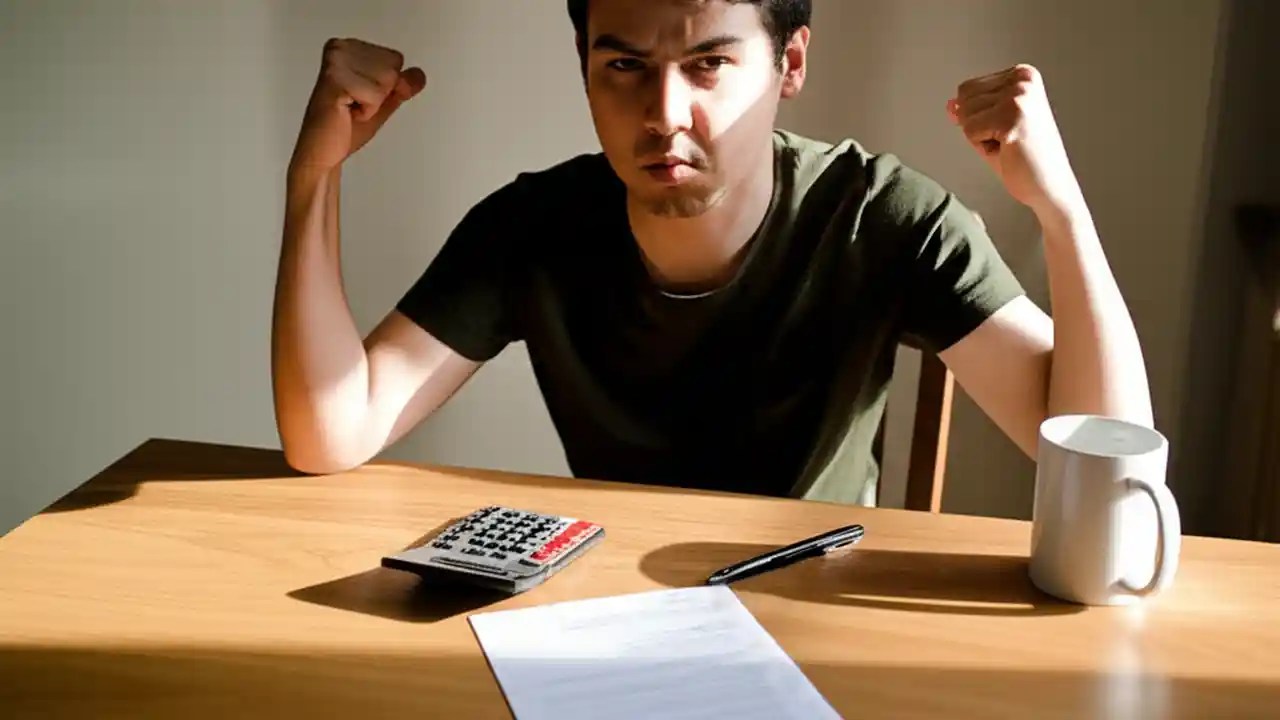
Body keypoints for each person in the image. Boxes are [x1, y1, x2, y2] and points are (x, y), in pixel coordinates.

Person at [271, 0, 1153, 505]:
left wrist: (1061, 210)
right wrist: (315, 173)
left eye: (708, 65)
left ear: (790, 63)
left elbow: (1107, 470)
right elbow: (330, 433)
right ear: (583, 62)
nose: (664, 114)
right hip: (613, 619)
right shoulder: (533, 225)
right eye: (624, 67)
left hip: (817, 617)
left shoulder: (881, 219)